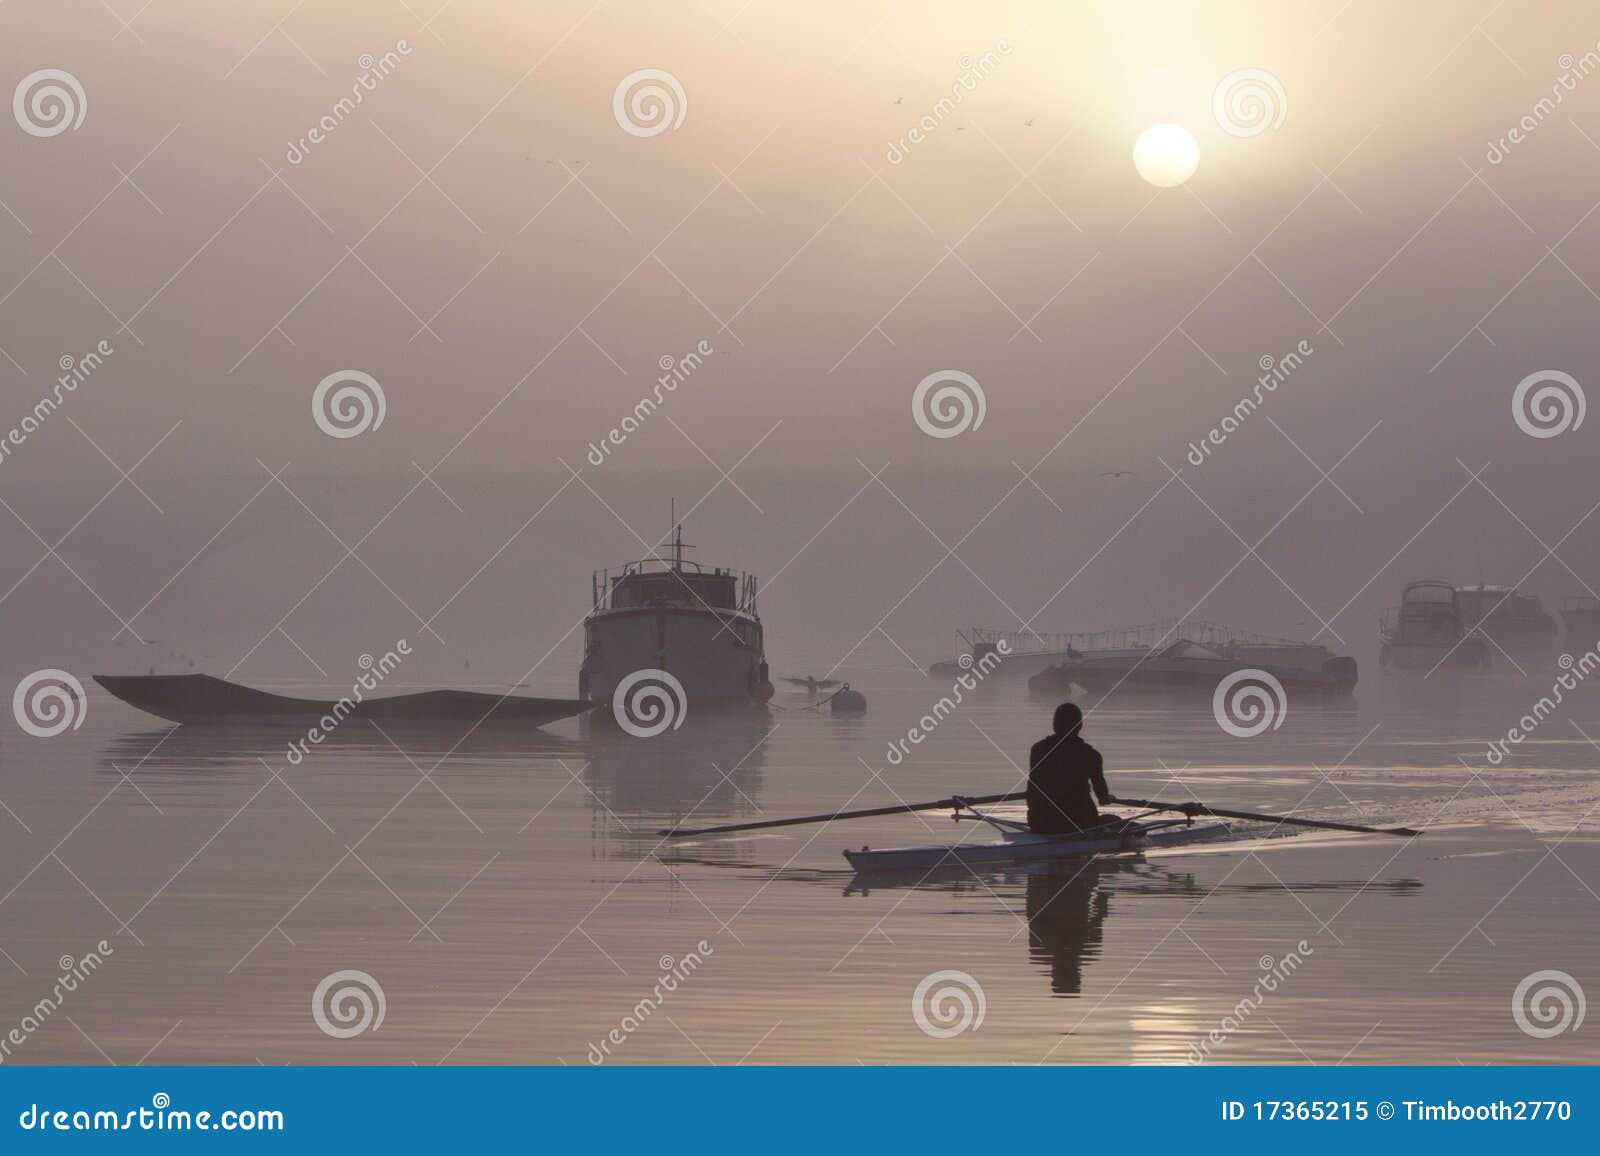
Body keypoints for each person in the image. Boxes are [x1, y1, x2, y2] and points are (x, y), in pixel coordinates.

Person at [1027, 702, 1117, 834]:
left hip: (1040, 823)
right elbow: (1102, 798)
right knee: (1116, 821)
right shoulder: (1091, 754)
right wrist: (1107, 798)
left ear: (1054, 725)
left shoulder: (1038, 749)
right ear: (1080, 725)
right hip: (1080, 822)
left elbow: (1031, 789)